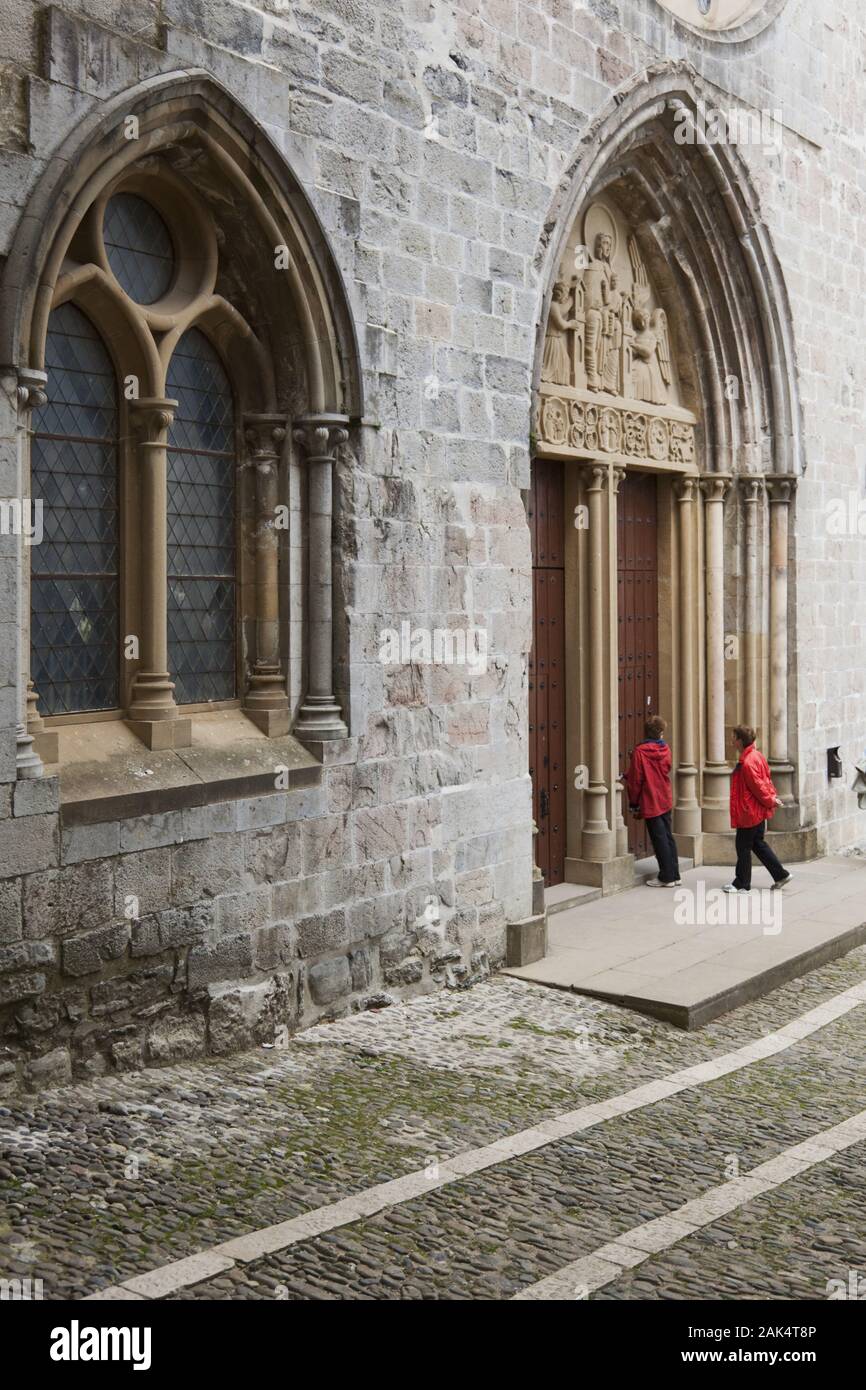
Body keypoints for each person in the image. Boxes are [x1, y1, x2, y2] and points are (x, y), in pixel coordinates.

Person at [724, 724, 792, 894]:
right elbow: (766, 781)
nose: (731, 740)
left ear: (740, 740)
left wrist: (771, 800)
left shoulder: (747, 762)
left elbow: (759, 786)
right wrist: (771, 798)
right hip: (755, 811)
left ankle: (741, 884)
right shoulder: (757, 756)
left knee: (743, 847)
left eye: (734, 737)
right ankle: (781, 875)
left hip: (749, 812)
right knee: (757, 844)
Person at [624, 715, 681, 887]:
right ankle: (675, 874)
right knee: (668, 836)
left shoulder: (640, 752)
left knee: (659, 838)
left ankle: (666, 877)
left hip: (650, 799)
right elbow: (666, 767)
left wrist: (633, 803)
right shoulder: (665, 750)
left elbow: (636, 780)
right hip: (664, 796)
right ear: (660, 733)